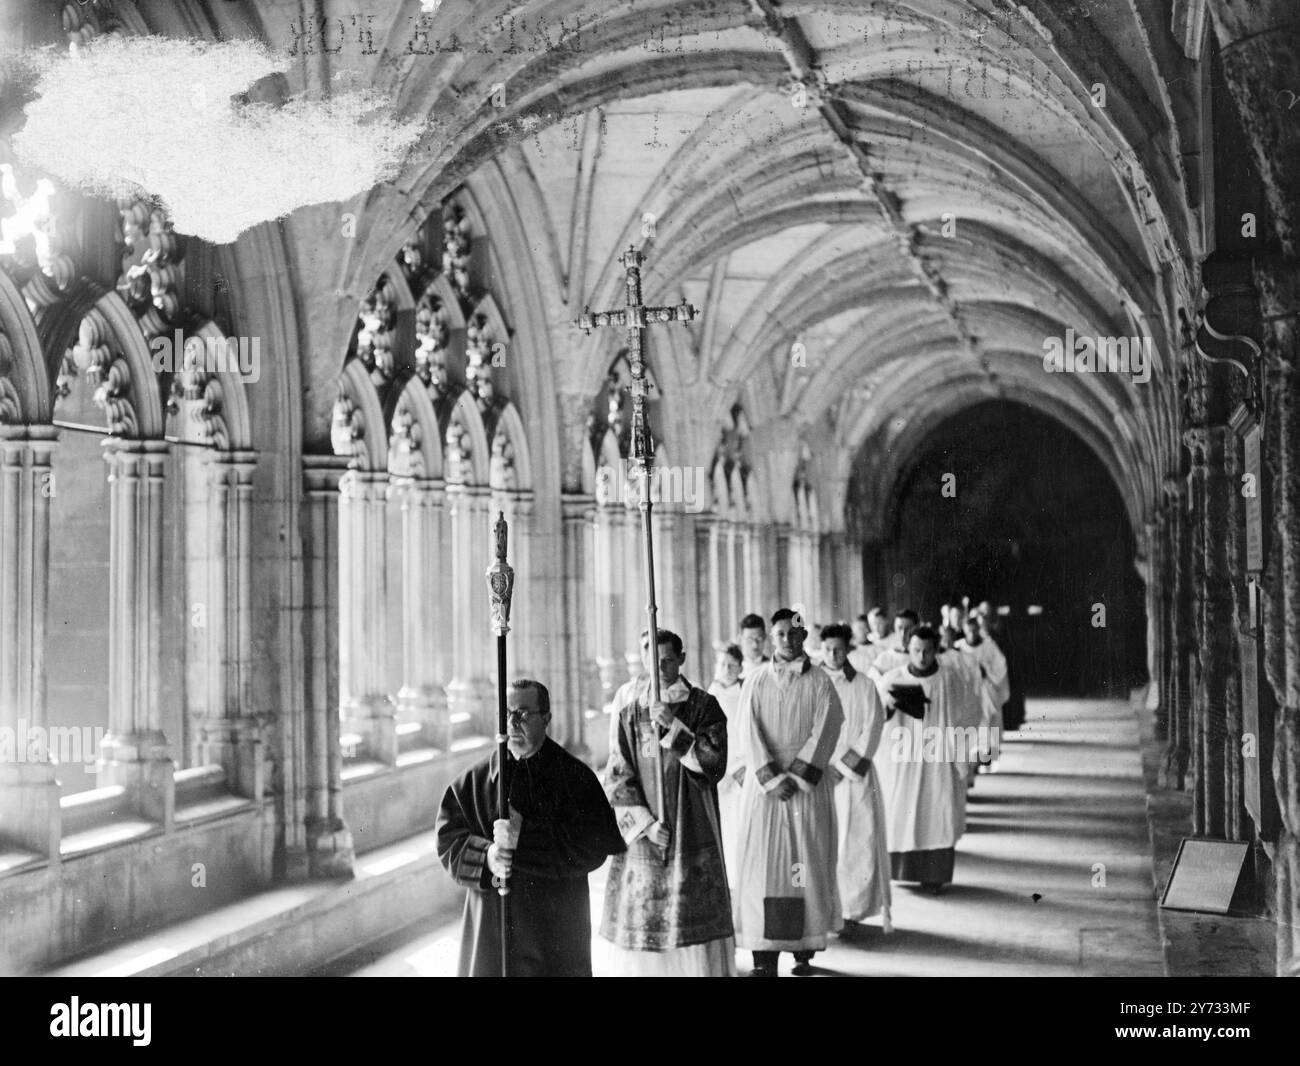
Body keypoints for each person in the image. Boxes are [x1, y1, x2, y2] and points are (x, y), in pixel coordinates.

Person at [435, 679, 624, 976]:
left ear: (546, 718)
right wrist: (488, 856)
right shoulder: (475, 781)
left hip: (553, 926)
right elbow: (449, 841)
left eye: (523, 714)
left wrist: (526, 837)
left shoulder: (575, 777)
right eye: (507, 713)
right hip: (493, 926)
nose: (512, 723)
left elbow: (593, 847)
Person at [601, 629, 735, 976]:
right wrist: (644, 825)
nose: (659, 667)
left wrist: (674, 729)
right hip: (648, 834)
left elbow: (714, 765)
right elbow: (617, 771)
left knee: (691, 916)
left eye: (668, 660)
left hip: (692, 825)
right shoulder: (630, 708)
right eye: (652, 659)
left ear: (682, 660)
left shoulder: (704, 705)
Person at [733, 608, 844, 976]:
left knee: (802, 865)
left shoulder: (821, 683)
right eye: (778, 634)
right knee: (765, 866)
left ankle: (803, 945)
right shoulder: (755, 679)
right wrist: (770, 778)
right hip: (765, 790)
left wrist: (796, 777)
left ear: (803, 637)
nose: (785, 640)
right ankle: (764, 953)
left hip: (804, 789)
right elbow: (747, 729)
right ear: (771, 638)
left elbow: (827, 727)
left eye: (792, 635)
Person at [873, 626, 982, 892]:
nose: (922, 656)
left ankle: (934, 877)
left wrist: (959, 753)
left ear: (936, 650)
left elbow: (969, 713)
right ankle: (902, 871)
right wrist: (888, 707)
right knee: (902, 811)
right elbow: (873, 717)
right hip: (903, 759)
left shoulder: (951, 679)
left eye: (927, 651)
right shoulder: (891, 679)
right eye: (916, 651)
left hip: (938, 759)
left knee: (937, 814)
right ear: (907, 649)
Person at [819, 624, 892, 935]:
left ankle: (850, 912)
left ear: (848, 649)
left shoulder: (864, 685)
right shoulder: (812, 682)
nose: (833, 655)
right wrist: (821, 765)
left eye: (838, 649)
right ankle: (821, 912)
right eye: (827, 649)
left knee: (855, 844)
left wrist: (843, 767)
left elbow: (873, 727)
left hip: (853, 779)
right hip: (819, 776)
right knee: (820, 844)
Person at [708, 643, 746, 887]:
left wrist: (737, 769)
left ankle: (740, 884)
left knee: (740, 830)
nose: (726, 669)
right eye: (722, 664)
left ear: (740, 667)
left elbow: (749, 733)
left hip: (741, 773)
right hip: (716, 775)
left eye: (731, 665)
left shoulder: (746, 694)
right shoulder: (705, 696)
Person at [956, 613, 1010, 770]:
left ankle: (989, 758)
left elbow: (1000, 666)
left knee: (989, 722)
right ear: (964, 630)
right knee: (974, 725)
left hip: (987, 690)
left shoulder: (989, 645)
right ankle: (976, 758)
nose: (972, 634)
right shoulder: (959, 647)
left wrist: (987, 672)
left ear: (979, 630)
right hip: (969, 692)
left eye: (974, 631)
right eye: (969, 631)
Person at [869, 608, 918, 678]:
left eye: (908, 628)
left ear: (916, 627)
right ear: (895, 627)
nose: (903, 633)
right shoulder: (884, 658)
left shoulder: (923, 656)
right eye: (900, 628)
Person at [738, 613, 770, 679]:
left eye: (759, 639)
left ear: (765, 637)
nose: (755, 644)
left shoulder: (772, 667)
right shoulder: (732, 668)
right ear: (740, 639)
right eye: (750, 640)